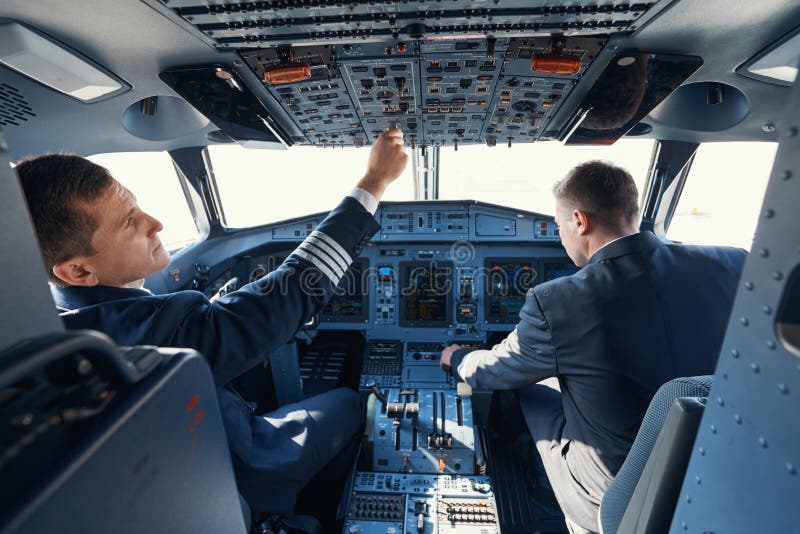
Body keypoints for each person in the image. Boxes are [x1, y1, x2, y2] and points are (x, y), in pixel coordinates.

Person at [17, 129, 409, 523]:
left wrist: (216, 310)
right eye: (128, 224)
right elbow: (291, 292)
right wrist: (373, 183)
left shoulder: (56, 332)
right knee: (350, 402)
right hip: (239, 466)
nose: (155, 223)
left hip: (178, 471)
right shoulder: (156, 335)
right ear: (77, 270)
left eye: (137, 208)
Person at [439, 160, 746, 534]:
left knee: (524, 385)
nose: (560, 237)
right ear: (632, 211)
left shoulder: (558, 300)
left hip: (621, 492)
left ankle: (518, 473)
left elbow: (495, 369)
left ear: (580, 221)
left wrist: (456, 358)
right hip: (716, 466)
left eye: (559, 226)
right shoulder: (732, 263)